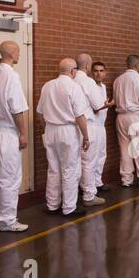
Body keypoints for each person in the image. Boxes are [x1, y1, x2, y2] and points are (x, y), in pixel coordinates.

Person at [36, 58, 92, 217]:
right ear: (73, 71)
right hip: (67, 131)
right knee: (70, 170)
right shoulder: (74, 87)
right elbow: (80, 116)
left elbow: (39, 112)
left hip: (50, 129)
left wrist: (46, 128)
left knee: (53, 169)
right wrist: (86, 137)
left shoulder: (47, 86)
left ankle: (52, 205)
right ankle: (69, 207)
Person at [0, 40, 30, 232]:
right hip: (8, 132)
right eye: (18, 52)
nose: (19, 55)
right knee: (10, 177)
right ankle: (8, 220)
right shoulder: (11, 76)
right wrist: (23, 132)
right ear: (13, 53)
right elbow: (17, 108)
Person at [73, 53, 110, 207]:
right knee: (89, 161)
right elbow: (97, 105)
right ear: (88, 66)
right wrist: (109, 103)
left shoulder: (72, 79)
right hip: (89, 125)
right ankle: (89, 194)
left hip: (79, 125)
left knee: (81, 161)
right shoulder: (87, 81)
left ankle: (90, 186)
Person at [113, 54, 139, 188]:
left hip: (120, 117)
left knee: (124, 149)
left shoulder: (118, 80)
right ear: (137, 65)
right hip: (136, 117)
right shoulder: (138, 79)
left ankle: (126, 179)